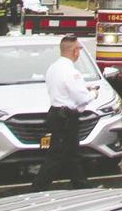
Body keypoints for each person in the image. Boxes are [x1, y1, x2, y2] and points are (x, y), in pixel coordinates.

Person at [31, 35, 96, 191]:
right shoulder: (71, 71)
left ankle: (82, 186)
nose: (79, 52)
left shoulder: (53, 68)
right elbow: (82, 98)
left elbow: (63, 90)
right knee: (57, 156)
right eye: (79, 49)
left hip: (56, 112)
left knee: (72, 155)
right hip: (66, 117)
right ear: (74, 52)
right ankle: (37, 189)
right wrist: (93, 93)